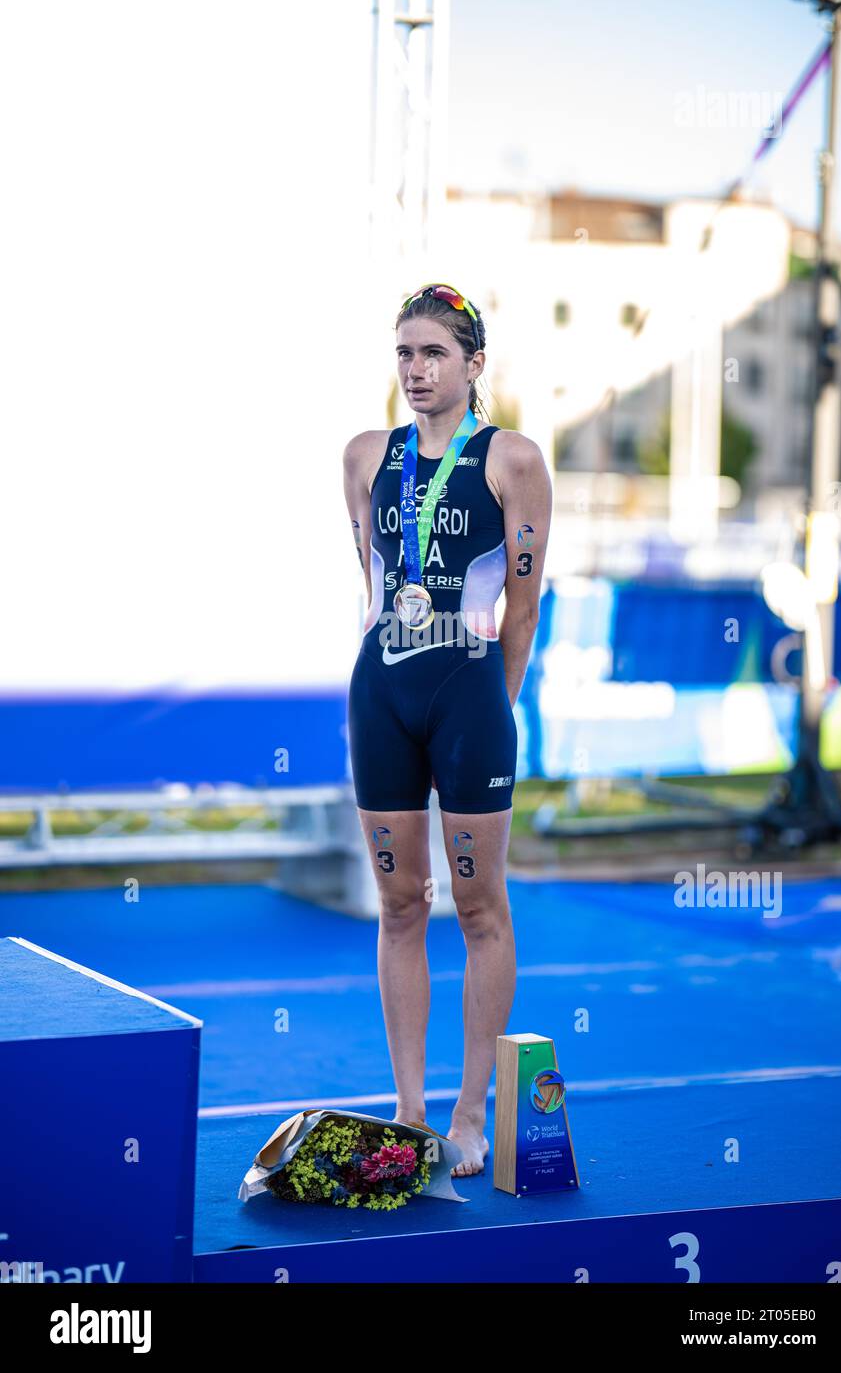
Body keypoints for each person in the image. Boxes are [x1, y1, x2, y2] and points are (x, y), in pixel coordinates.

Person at [343, 283, 551, 1177]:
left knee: (477, 908)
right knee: (399, 905)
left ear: (473, 364)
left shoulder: (513, 459)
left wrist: (492, 703)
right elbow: (373, 578)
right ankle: (409, 1108)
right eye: (404, 353)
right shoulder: (362, 456)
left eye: (434, 353)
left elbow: (524, 603)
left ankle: (472, 1111)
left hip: (469, 701)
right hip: (382, 690)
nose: (417, 370)